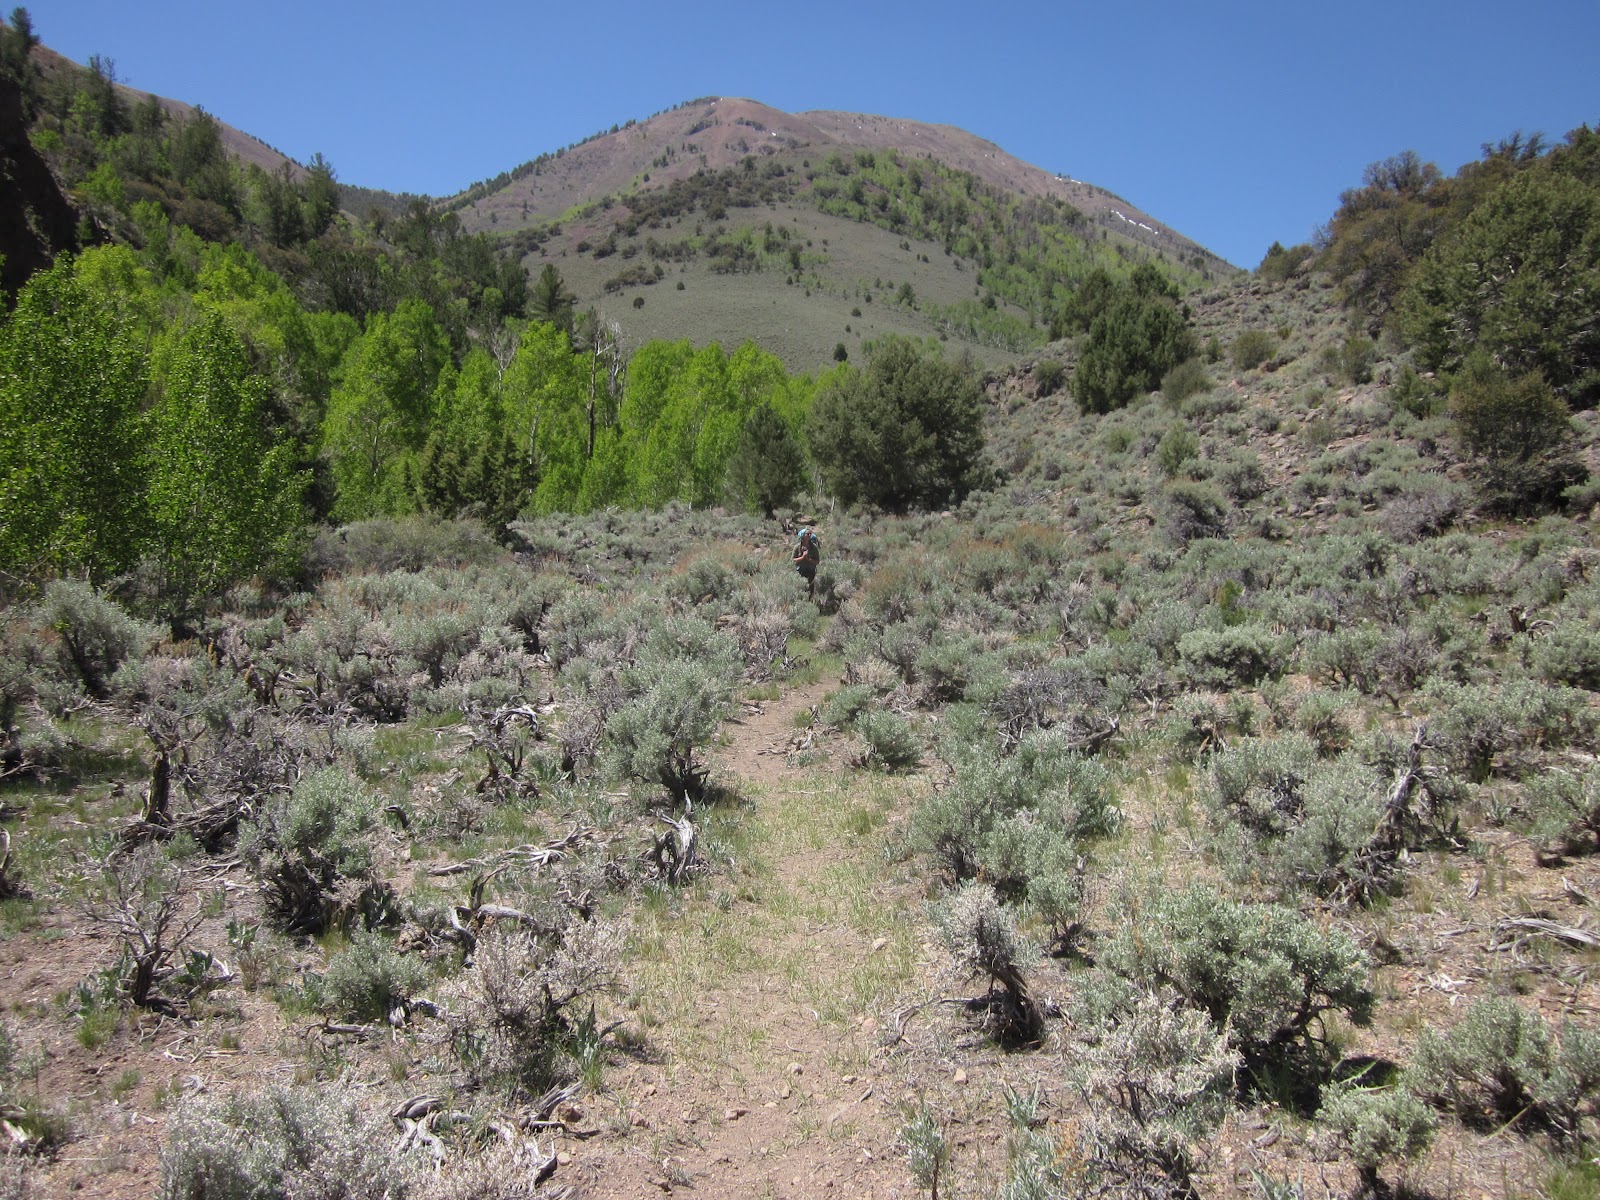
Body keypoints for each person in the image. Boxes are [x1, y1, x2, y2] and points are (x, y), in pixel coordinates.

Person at [792, 526, 820, 600]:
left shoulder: (814, 548)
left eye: (810, 534)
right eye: (807, 534)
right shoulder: (797, 547)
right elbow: (793, 560)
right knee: (800, 589)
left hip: (811, 572)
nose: (809, 535)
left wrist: (808, 559)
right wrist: (802, 558)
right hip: (800, 572)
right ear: (803, 535)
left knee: (810, 590)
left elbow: (817, 561)